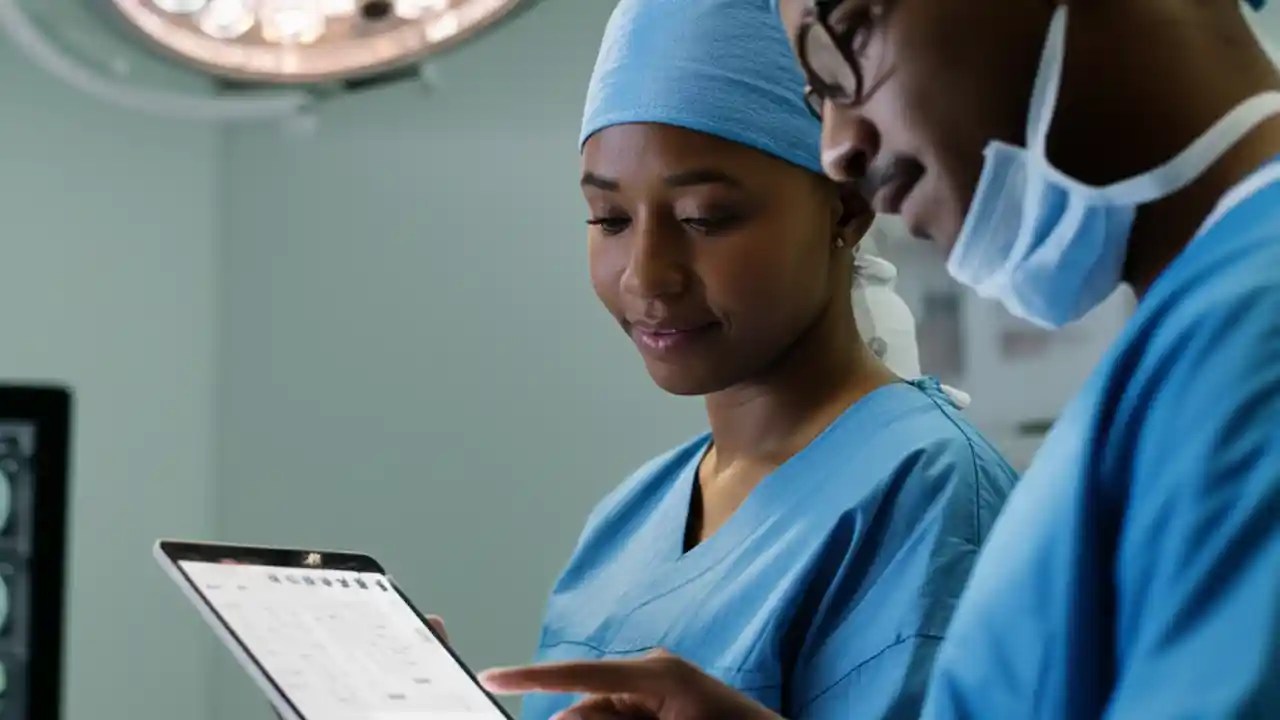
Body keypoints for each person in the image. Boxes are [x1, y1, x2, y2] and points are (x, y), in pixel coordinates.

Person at [479, 0, 1280, 718]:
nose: (840, 146)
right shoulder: (1177, 358)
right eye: (608, 218)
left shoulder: (1252, 335)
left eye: (854, 31)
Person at [504, 0, 1017, 719]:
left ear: (847, 209)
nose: (646, 277)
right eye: (610, 219)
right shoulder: (625, 522)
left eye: (703, 218)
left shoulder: (929, 491)